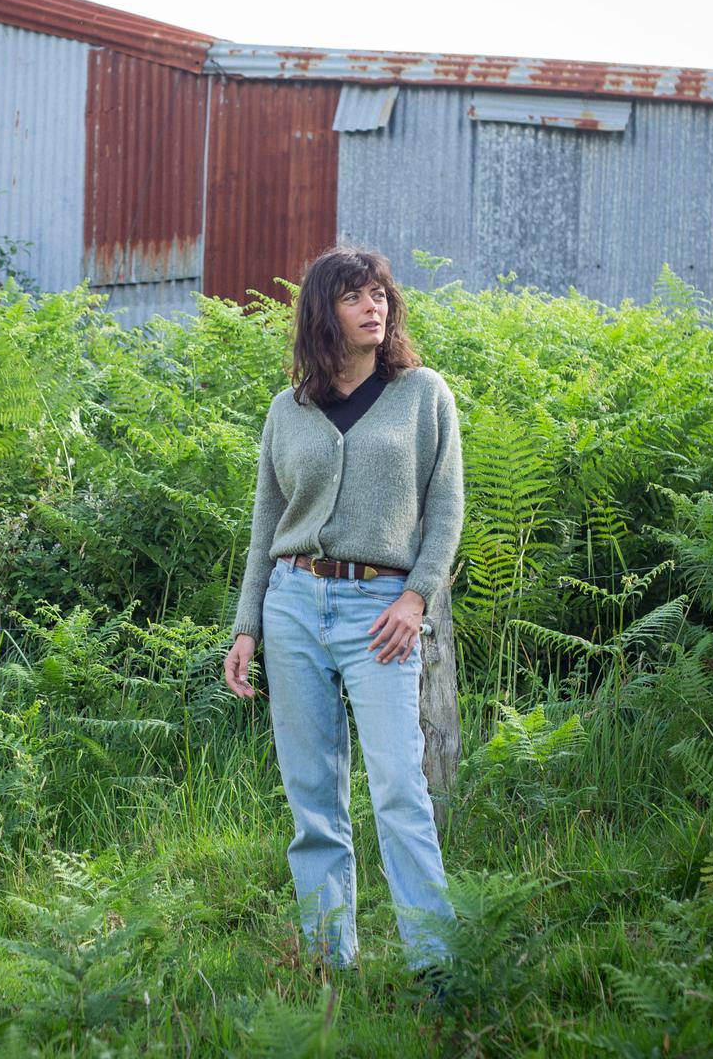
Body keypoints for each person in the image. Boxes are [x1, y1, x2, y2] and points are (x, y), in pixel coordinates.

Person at [222, 244, 465, 979]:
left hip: (379, 611)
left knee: (399, 787)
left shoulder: (423, 394)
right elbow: (265, 526)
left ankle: (437, 969)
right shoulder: (286, 412)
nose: (374, 307)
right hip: (293, 603)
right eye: (356, 297)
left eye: (381, 296)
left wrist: (416, 596)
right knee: (312, 797)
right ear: (322, 313)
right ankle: (331, 964)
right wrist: (246, 626)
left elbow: (447, 509)